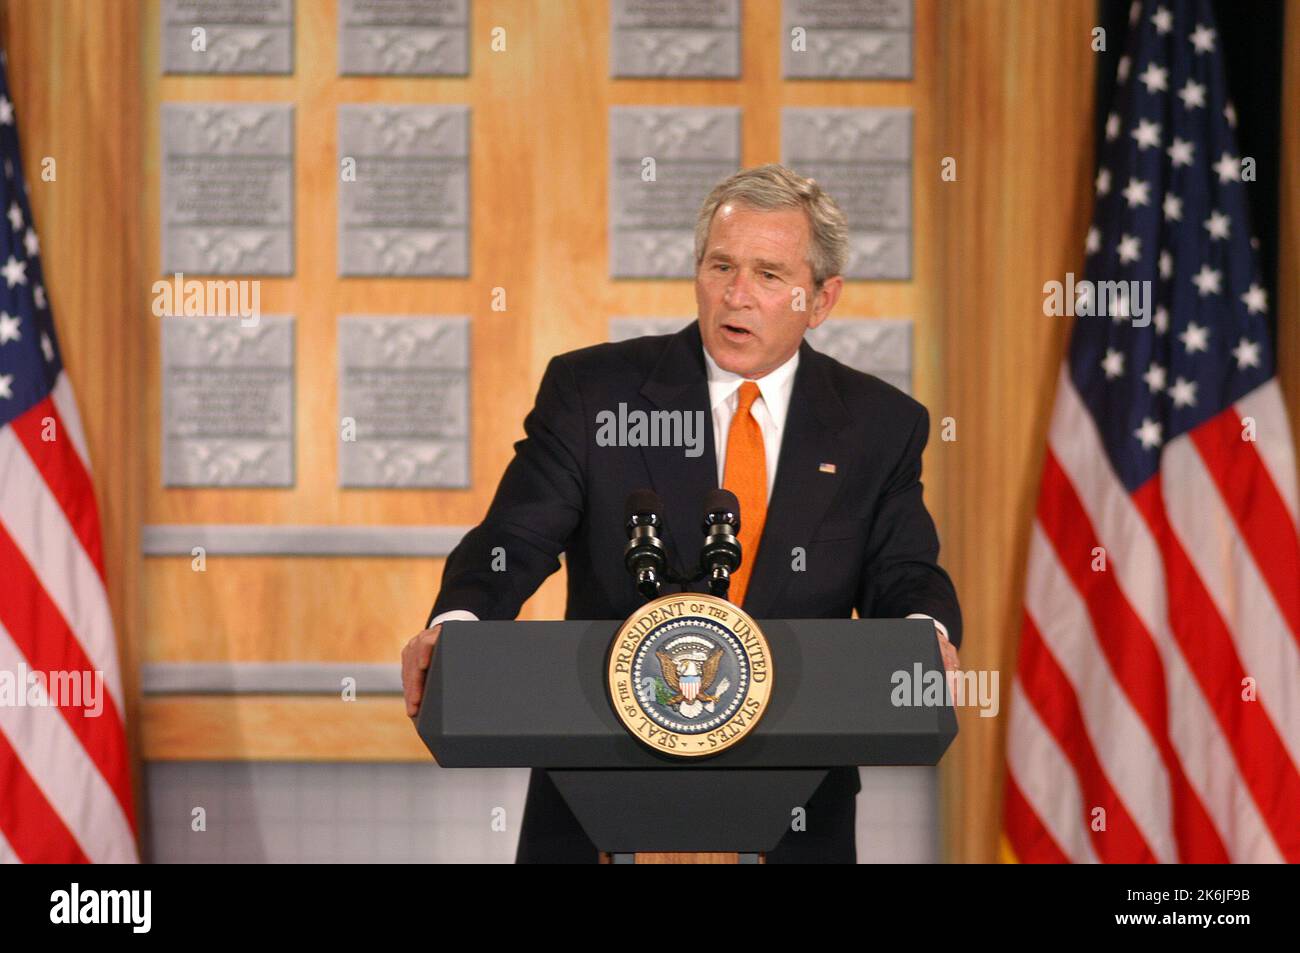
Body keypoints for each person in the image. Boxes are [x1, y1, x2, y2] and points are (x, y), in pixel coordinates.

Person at [401, 163, 962, 863]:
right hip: (595, 797)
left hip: (793, 816)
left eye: (768, 273)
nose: (736, 294)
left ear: (820, 299)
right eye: (721, 264)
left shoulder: (879, 426)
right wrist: (457, 626)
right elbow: (511, 540)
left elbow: (905, 570)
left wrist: (922, 636)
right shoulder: (595, 394)